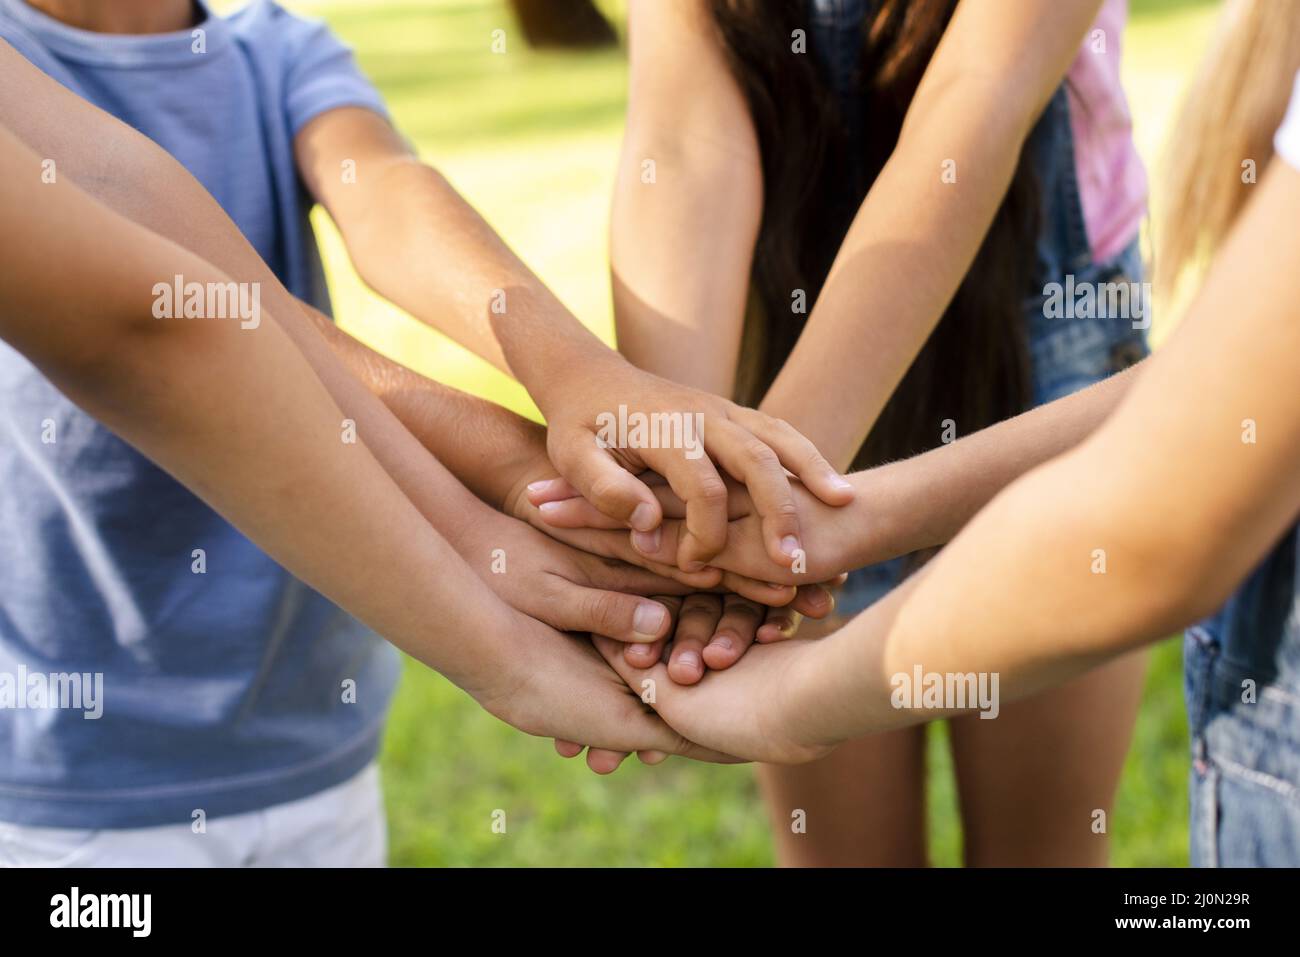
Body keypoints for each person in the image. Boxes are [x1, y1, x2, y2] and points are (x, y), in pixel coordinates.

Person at [0, 0, 839, 865]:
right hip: (69, 780)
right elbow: (179, 317)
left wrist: (576, 372)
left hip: (308, 744)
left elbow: (387, 197)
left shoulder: (272, 48)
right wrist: (496, 514)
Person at [566, 0, 1300, 869]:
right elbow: (685, 128)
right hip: (783, 370)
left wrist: (757, 497)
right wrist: (690, 490)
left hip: (1038, 362)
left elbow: (978, 94)